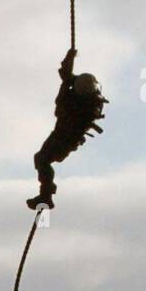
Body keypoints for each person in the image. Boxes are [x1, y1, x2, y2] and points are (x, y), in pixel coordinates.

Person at [27, 48, 108, 211]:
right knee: (42, 159)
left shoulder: (75, 108)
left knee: (42, 159)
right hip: (65, 138)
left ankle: (46, 195)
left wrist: (68, 69)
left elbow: (62, 97)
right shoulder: (90, 100)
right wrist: (69, 59)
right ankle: (46, 193)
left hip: (63, 138)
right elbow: (67, 76)